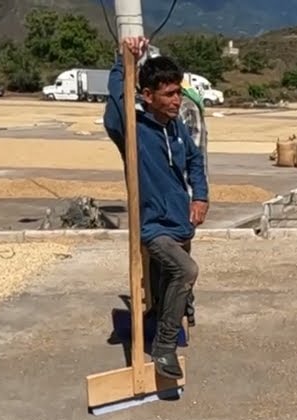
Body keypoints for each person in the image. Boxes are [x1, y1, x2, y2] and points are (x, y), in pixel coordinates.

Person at [103, 36, 209, 380]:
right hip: (152, 226)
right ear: (148, 96)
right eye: (170, 94)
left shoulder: (175, 127)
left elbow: (195, 160)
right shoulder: (131, 129)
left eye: (179, 92)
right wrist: (125, 59)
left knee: (167, 288)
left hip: (180, 222)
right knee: (185, 271)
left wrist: (200, 197)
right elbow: (118, 99)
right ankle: (164, 348)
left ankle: (169, 309)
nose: (178, 100)